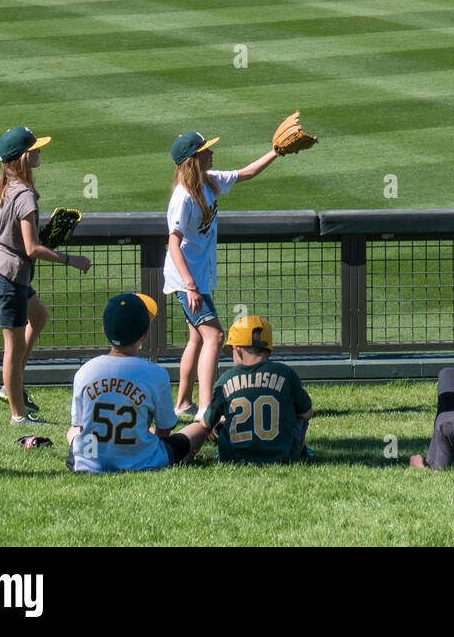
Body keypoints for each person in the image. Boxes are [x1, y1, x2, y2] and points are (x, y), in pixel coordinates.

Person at [164, 130, 282, 420]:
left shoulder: (210, 181)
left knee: (197, 339)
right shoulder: (183, 197)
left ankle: (182, 403)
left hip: (198, 278)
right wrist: (190, 286)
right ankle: (206, 409)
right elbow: (172, 243)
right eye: (205, 150)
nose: (211, 152)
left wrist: (276, 152)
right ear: (193, 159)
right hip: (186, 279)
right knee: (215, 336)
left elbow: (247, 173)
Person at [0, 126, 91, 425]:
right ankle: (17, 412)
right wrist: (72, 259)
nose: (40, 151)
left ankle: (12, 385)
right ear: (23, 157)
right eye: (35, 148)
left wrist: (18, 239)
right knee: (13, 347)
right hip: (10, 275)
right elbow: (32, 249)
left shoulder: (3, 187)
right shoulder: (26, 196)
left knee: (40, 315)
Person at [66, 293, 209, 472]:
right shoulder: (156, 374)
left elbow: (80, 426)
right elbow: (164, 430)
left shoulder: (85, 371)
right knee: (200, 428)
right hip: (143, 460)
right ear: (144, 335)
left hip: (89, 461)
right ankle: (187, 456)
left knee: (72, 432)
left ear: (104, 330)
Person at [197, 314, 314, 464]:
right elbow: (307, 413)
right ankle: (300, 451)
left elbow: (206, 423)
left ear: (237, 349)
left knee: (220, 425)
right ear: (269, 352)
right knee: (300, 416)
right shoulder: (286, 373)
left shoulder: (226, 379)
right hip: (283, 456)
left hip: (233, 457)